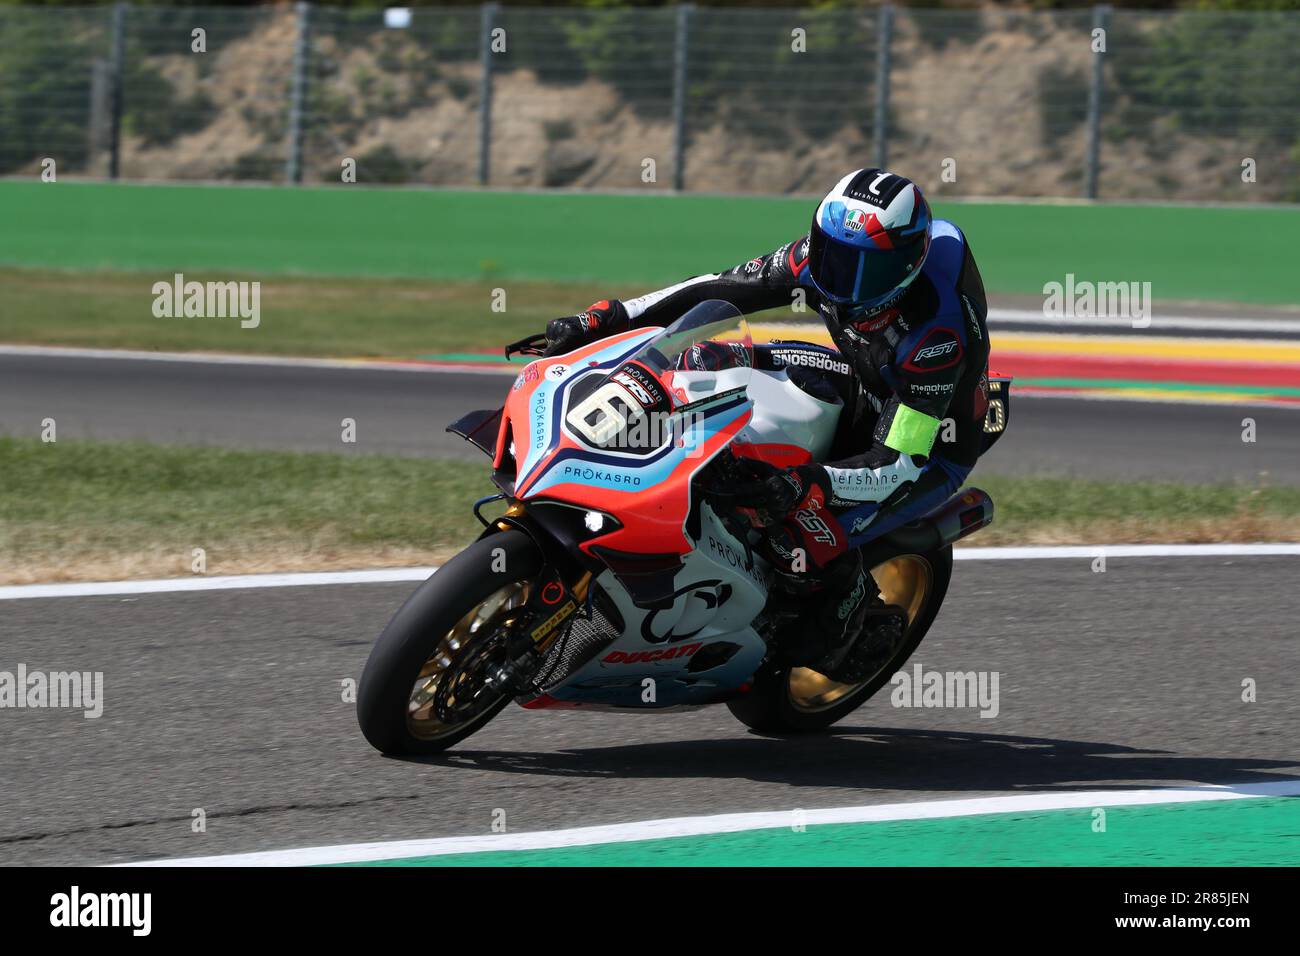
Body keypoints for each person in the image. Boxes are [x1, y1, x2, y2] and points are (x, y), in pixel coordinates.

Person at [544, 169, 991, 681]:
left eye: (861, 268)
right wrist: (615, 315)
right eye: (831, 254)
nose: (839, 278)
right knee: (703, 358)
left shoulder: (933, 339)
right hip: (859, 380)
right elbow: (721, 286)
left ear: (905, 266)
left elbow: (899, 463)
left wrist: (809, 482)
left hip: (927, 448)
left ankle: (849, 614)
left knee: (801, 529)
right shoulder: (820, 259)